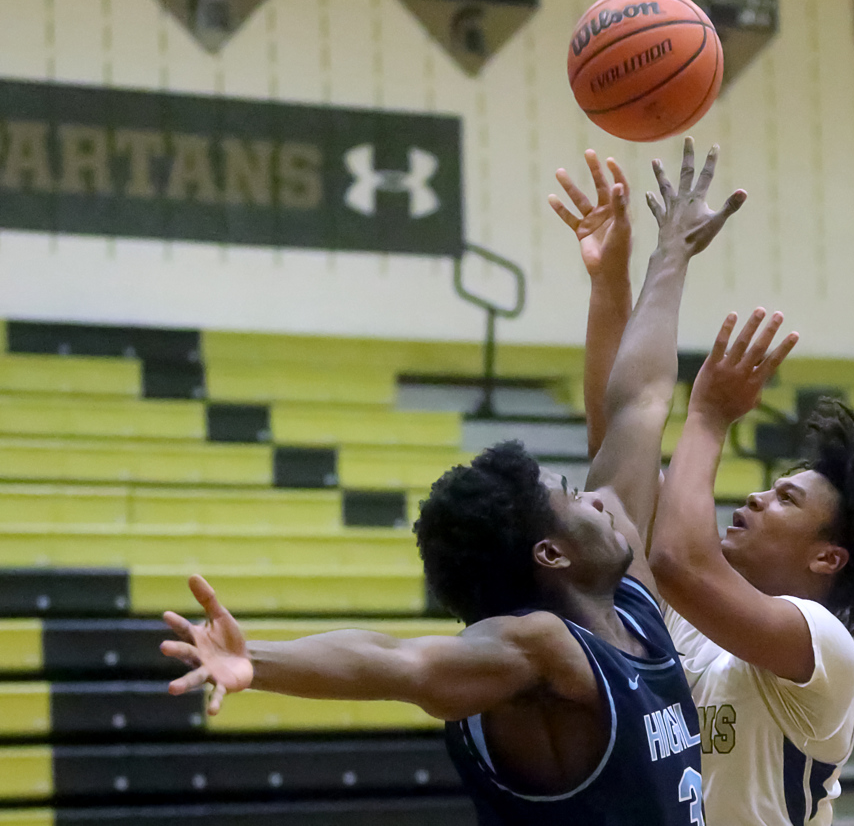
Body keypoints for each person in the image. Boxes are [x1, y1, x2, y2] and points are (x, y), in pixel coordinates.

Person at [158, 140, 744, 826]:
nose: (596, 495)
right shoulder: (543, 651)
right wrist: (255, 659)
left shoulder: (630, 602)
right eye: (573, 497)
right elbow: (400, 663)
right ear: (551, 553)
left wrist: (661, 257)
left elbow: (639, 403)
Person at [580, 207, 854, 824]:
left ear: (827, 556)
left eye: (785, 500)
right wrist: (612, 284)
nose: (755, 499)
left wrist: (711, 416)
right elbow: (621, 446)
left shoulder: (822, 645)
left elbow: (678, 558)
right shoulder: (688, 618)